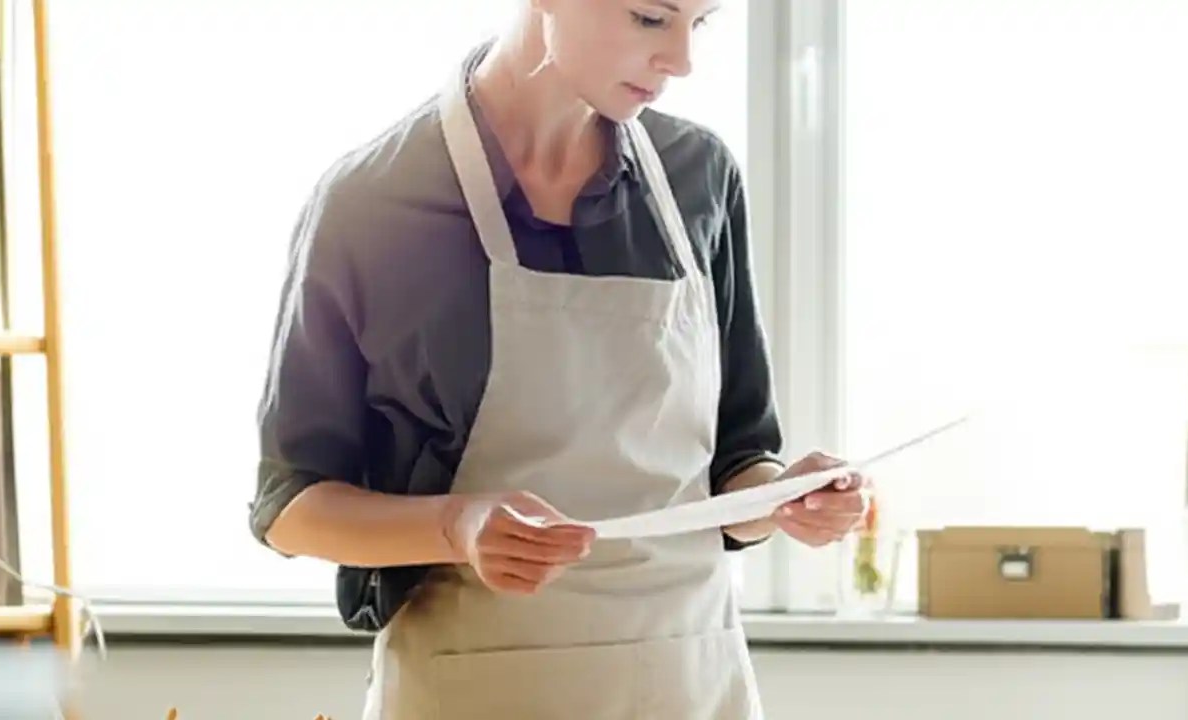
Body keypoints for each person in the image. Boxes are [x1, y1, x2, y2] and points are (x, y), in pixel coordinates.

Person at [251, 1, 868, 717]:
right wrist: (458, 526)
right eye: (650, 17)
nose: (682, 61)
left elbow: (736, 464)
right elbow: (291, 506)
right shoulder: (372, 205)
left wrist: (782, 499)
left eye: (698, 23)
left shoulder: (699, 177)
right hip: (475, 688)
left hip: (688, 683)